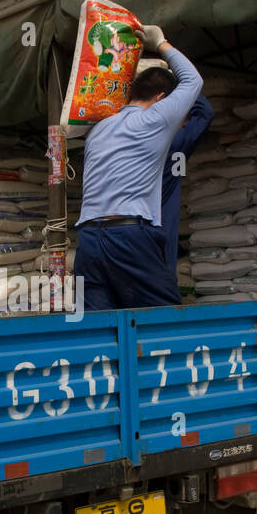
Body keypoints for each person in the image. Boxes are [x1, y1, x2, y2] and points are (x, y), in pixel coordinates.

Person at [75, 23, 204, 311]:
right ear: (161, 99)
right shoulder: (155, 119)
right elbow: (193, 82)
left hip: (88, 241)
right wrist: (161, 43)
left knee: (99, 329)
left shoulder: (99, 128)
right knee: (165, 319)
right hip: (129, 237)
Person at [161, 93, 214, 279]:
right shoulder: (176, 143)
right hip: (158, 238)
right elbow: (205, 113)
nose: (185, 124)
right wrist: (181, 84)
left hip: (154, 237)